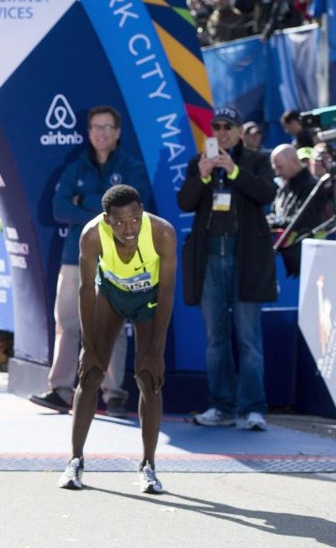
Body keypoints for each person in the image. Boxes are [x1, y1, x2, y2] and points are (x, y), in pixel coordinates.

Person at [30, 106, 153, 419]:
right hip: (76, 256)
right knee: (67, 324)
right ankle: (61, 391)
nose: (101, 133)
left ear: (117, 132)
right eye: (96, 127)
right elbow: (59, 209)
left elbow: (131, 210)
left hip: (117, 260)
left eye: (107, 127)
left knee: (112, 327)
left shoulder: (131, 167)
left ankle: (113, 395)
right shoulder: (75, 167)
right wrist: (105, 208)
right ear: (88, 132)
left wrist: (82, 200)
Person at [57, 185, 176, 494]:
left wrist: (157, 350)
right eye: (120, 222)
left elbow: (167, 292)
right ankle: (75, 461)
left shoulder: (162, 233)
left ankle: (148, 466)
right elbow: (86, 289)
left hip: (149, 300)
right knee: (91, 373)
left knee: (149, 377)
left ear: (142, 213)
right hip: (110, 296)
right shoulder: (91, 235)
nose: (129, 229)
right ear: (107, 220)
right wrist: (89, 347)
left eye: (135, 220)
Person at [177, 106, 277, 431]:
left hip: (245, 258)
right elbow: (185, 202)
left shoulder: (257, 159)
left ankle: (252, 408)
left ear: (238, 132)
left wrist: (234, 171)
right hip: (210, 258)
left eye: (227, 127)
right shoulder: (199, 162)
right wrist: (203, 176)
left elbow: (266, 193)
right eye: (216, 127)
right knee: (215, 338)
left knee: (248, 337)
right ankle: (221, 405)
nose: (221, 133)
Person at [268, 144, 328, 275]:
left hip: (304, 260)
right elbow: (273, 212)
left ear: (293, 162)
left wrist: (275, 222)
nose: (277, 172)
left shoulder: (311, 187)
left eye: (280, 167)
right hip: (283, 259)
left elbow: (302, 220)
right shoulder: (284, 187)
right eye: (275, 168)